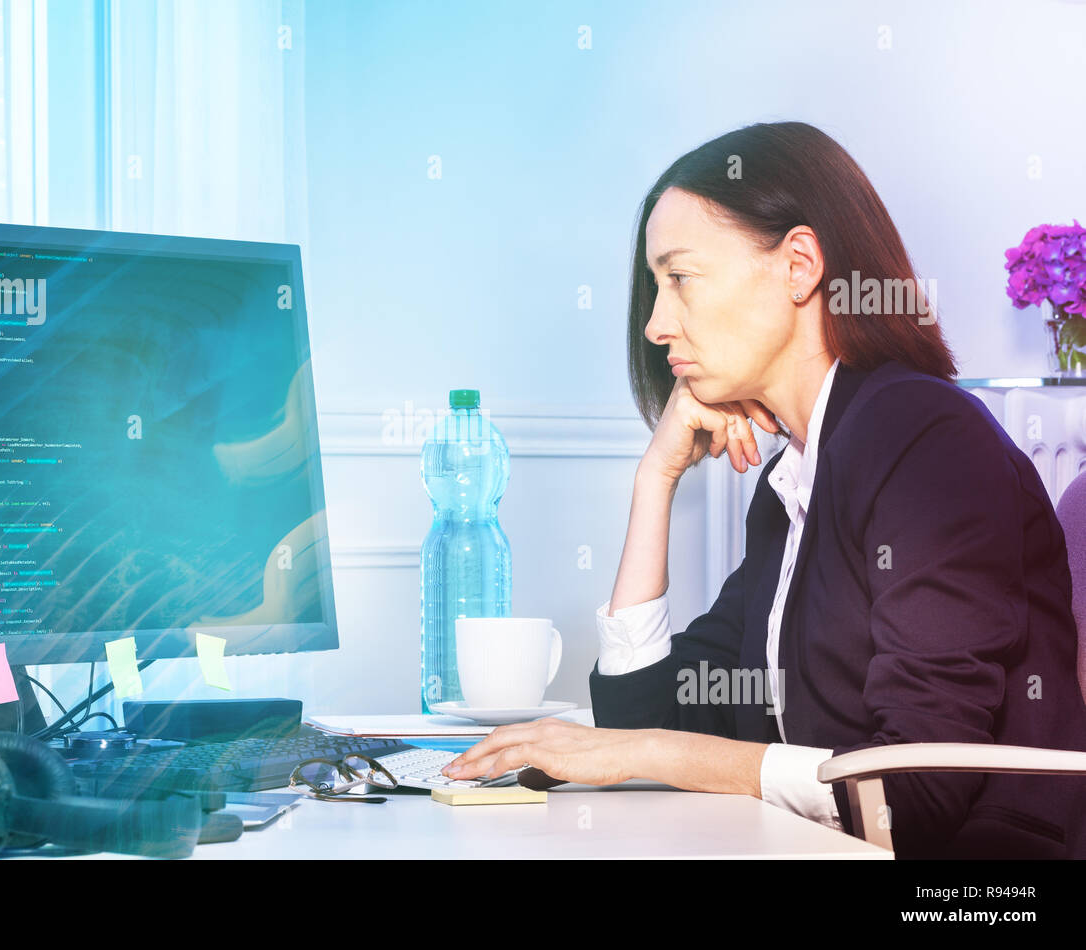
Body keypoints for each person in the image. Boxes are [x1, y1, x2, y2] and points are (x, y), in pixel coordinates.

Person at [441, 121, 1086, 859]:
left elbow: (913, 795)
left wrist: (650, 753)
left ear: (799, 266)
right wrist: (655, 481)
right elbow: (647, 716)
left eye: (679, 277)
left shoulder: (924, 436)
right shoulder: (800, 478)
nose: (655, 323)